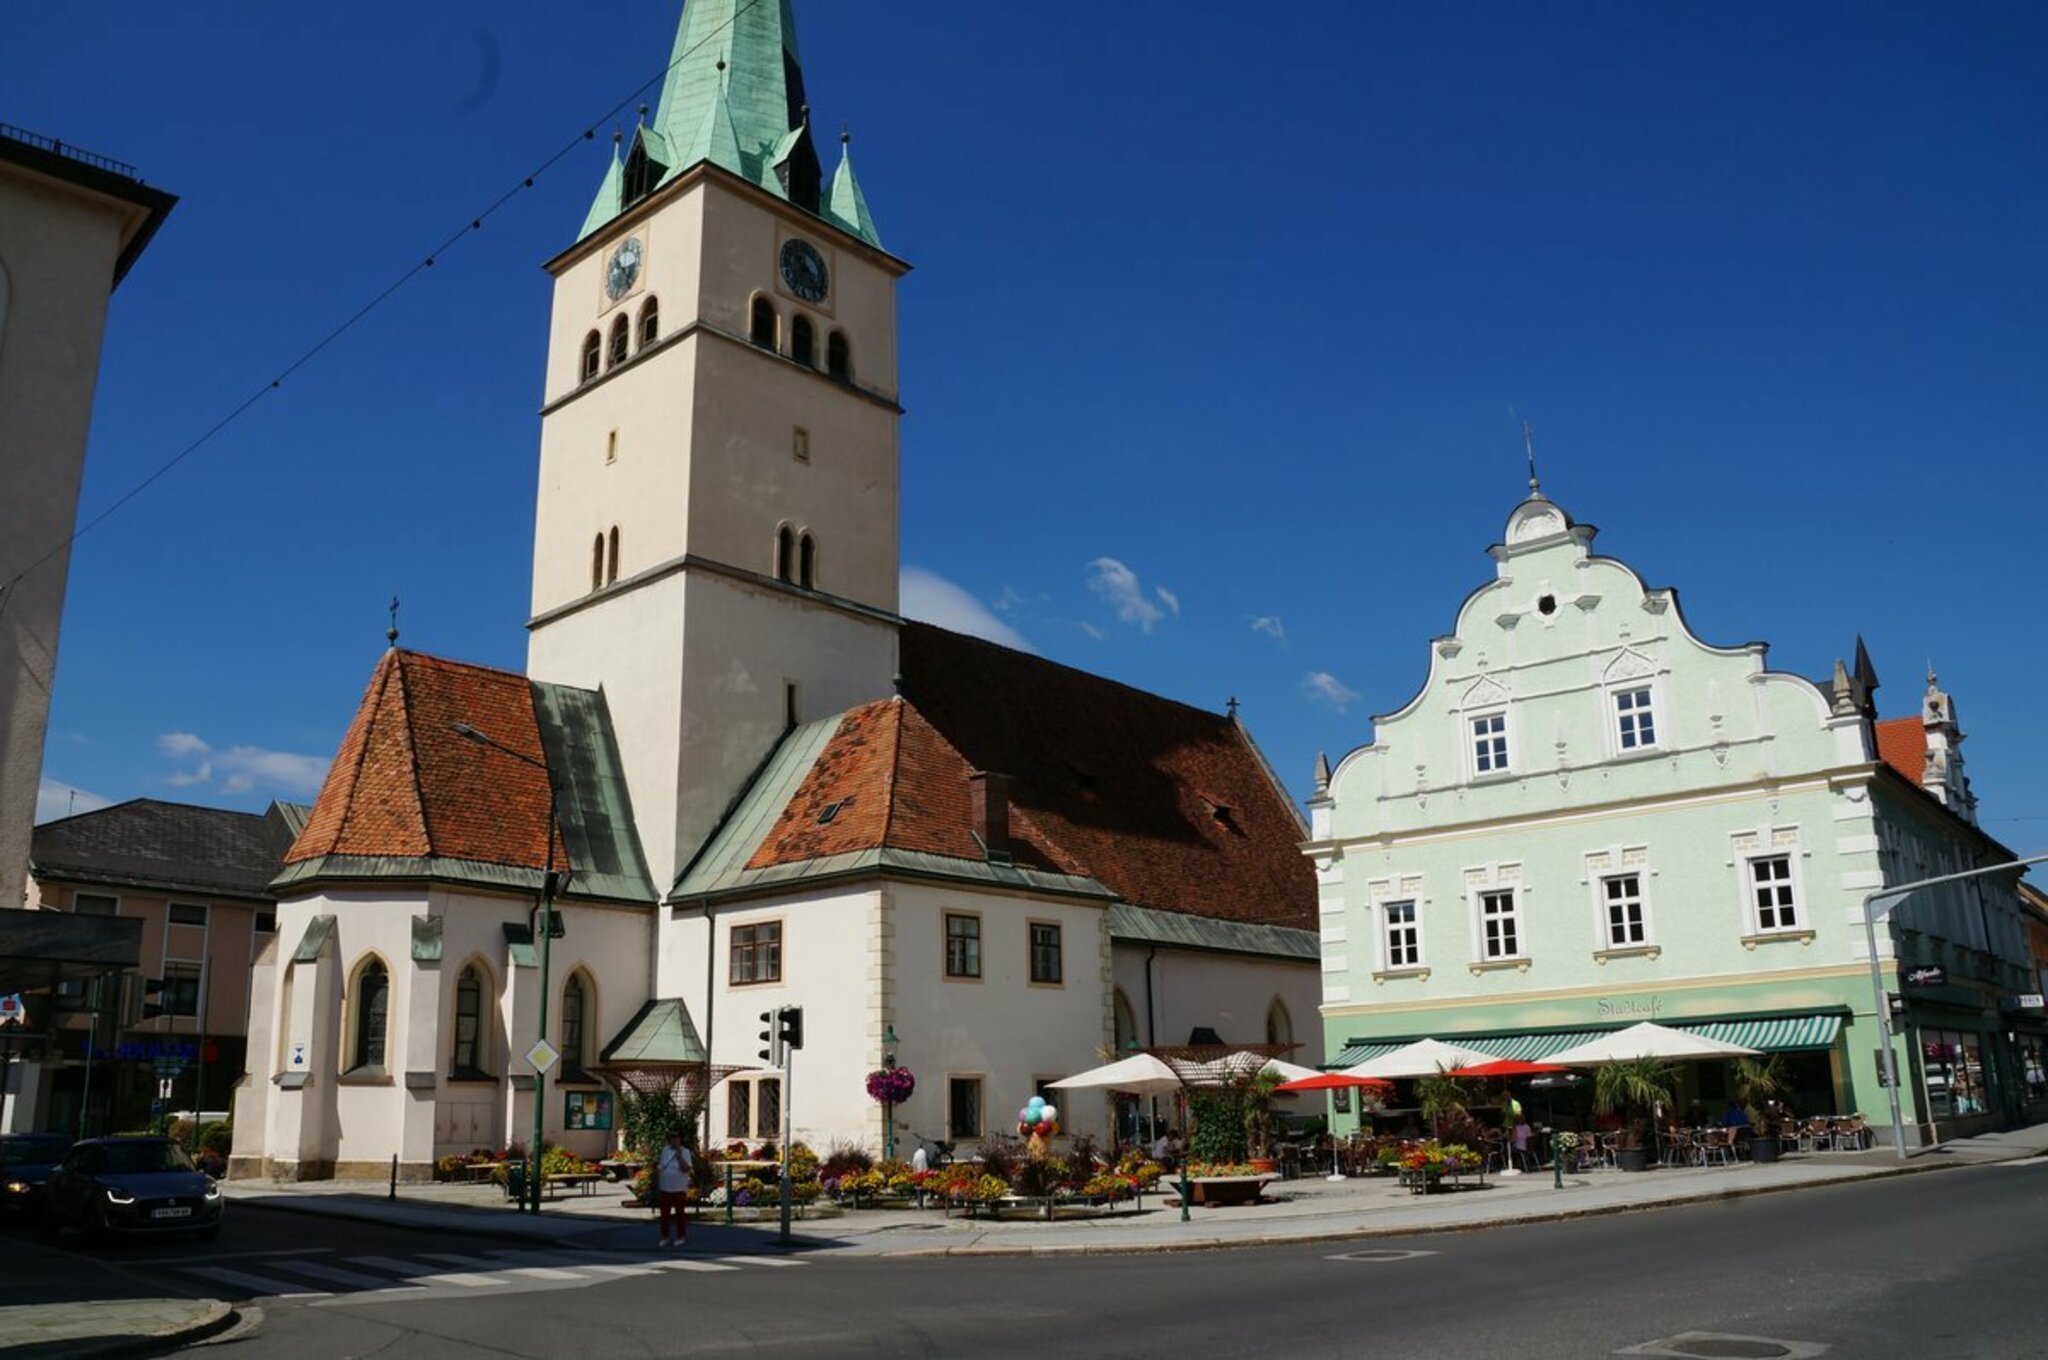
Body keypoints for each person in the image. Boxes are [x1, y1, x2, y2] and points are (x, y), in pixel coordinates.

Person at [655, 1130, 694, 1249]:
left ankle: (681, 1236)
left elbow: (686, 1169)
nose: (674, 1140)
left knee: (679, 1213)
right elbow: (661, 1166)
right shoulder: (665, 1150)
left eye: (676, 1138)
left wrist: (679, 1156)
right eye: (671, 1138)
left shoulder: (685, 1151)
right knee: (664, 1213)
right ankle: (664, 1236)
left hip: (678, 1187)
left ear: (679, 1140)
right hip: (665, 1186)